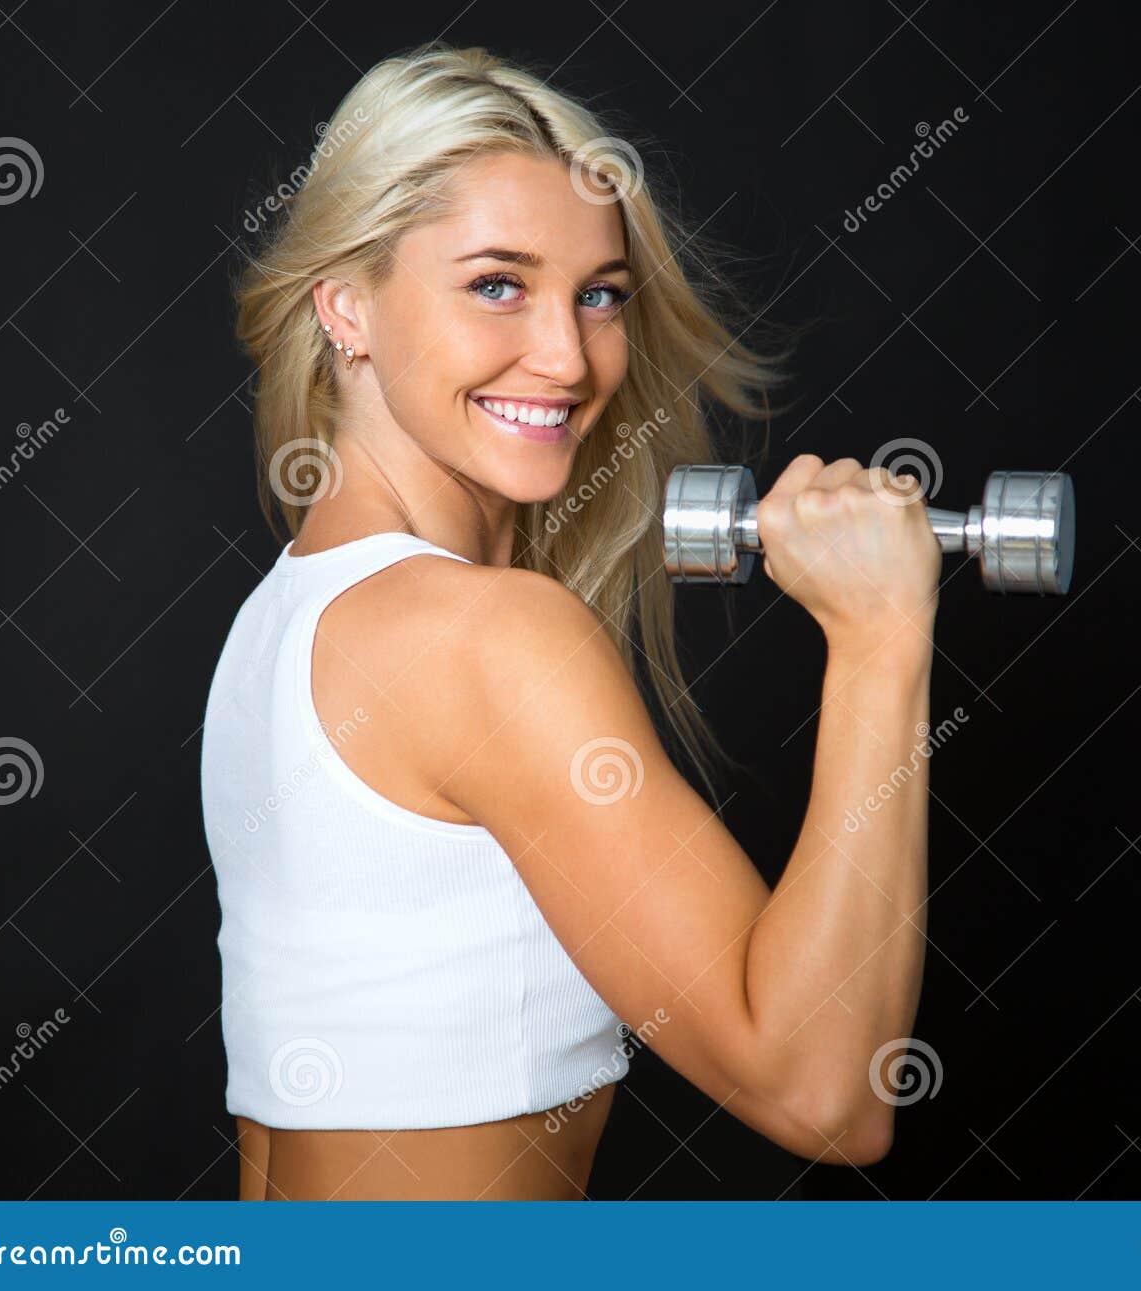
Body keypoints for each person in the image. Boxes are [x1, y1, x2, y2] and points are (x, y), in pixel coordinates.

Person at [202, 41, 940, 1200]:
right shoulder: (479, 634)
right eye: (497, 283)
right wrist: (881, 635)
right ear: (344, 304)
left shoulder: (287, 613)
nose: (566, 356)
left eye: (597, 295)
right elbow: (825, 1091)